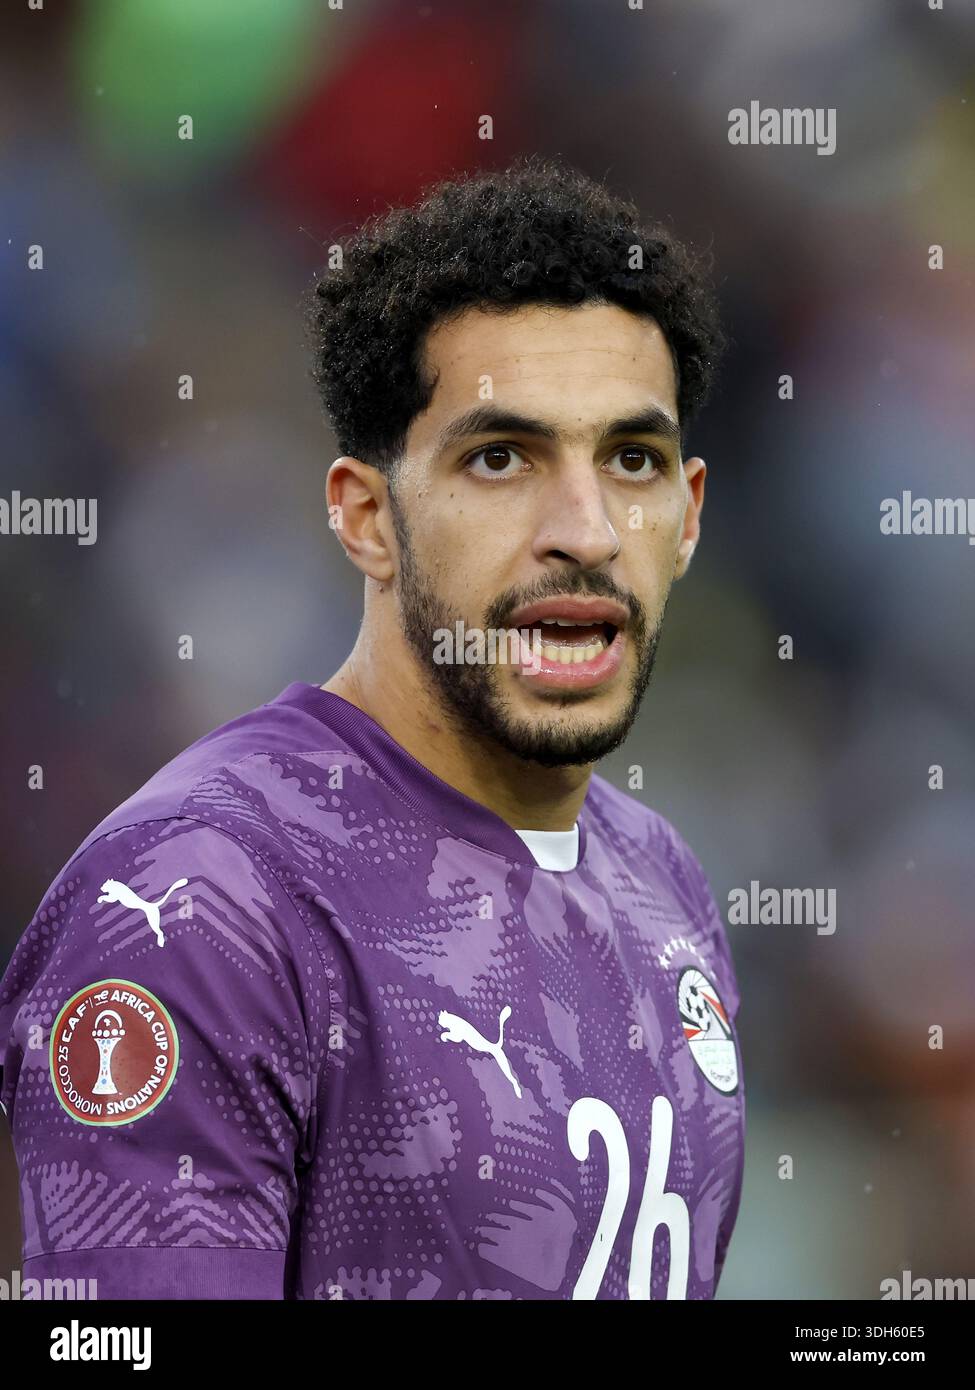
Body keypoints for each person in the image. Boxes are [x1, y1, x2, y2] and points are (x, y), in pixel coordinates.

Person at [0, 155, 743, 1300]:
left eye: (631, 460)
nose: (586, 530)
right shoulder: (204, 901)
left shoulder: (666, 884)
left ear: (688, 515)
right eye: (502, 458)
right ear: (366, 517)